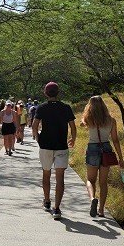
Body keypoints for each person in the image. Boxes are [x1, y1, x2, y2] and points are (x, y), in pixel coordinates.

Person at [31, 82, 76, 220]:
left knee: (46, 174)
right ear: (58, 93)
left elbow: (34, 125)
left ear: (45, 93)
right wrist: (73, 139)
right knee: (60, 178)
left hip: (45, 146)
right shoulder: (66, 108)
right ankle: (57, 209)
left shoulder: (42, 108)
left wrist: (38, 138)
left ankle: (47, 200)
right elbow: (73, 127)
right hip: (61, 146)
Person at [80, 95, 124, 218]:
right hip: (106, 149)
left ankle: (92, 199)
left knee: (90, 180)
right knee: (103, 182)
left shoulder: (88, 118)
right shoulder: (111, 120)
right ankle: (101, 210)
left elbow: (81, 124)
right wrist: (120, 158)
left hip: (92, 148)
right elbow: (115, 140)